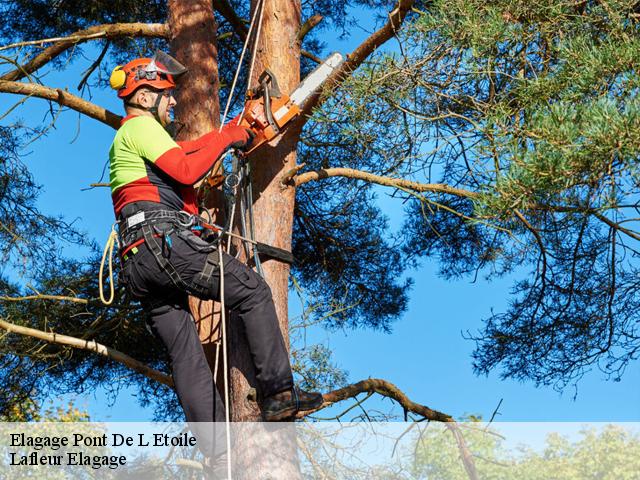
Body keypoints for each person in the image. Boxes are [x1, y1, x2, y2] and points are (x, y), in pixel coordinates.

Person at [108, 51, 323, 437]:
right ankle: (278, 394)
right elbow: (188, 169)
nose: (173, 100)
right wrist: (227, 136)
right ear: (143, 98)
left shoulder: (133, 141)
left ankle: (219, 449)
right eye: (165, 93)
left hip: (139, 261)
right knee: (253, 291)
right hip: (162, 244)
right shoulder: (139, 128)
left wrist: (230, 134)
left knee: (185, 353)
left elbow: (186, 158)